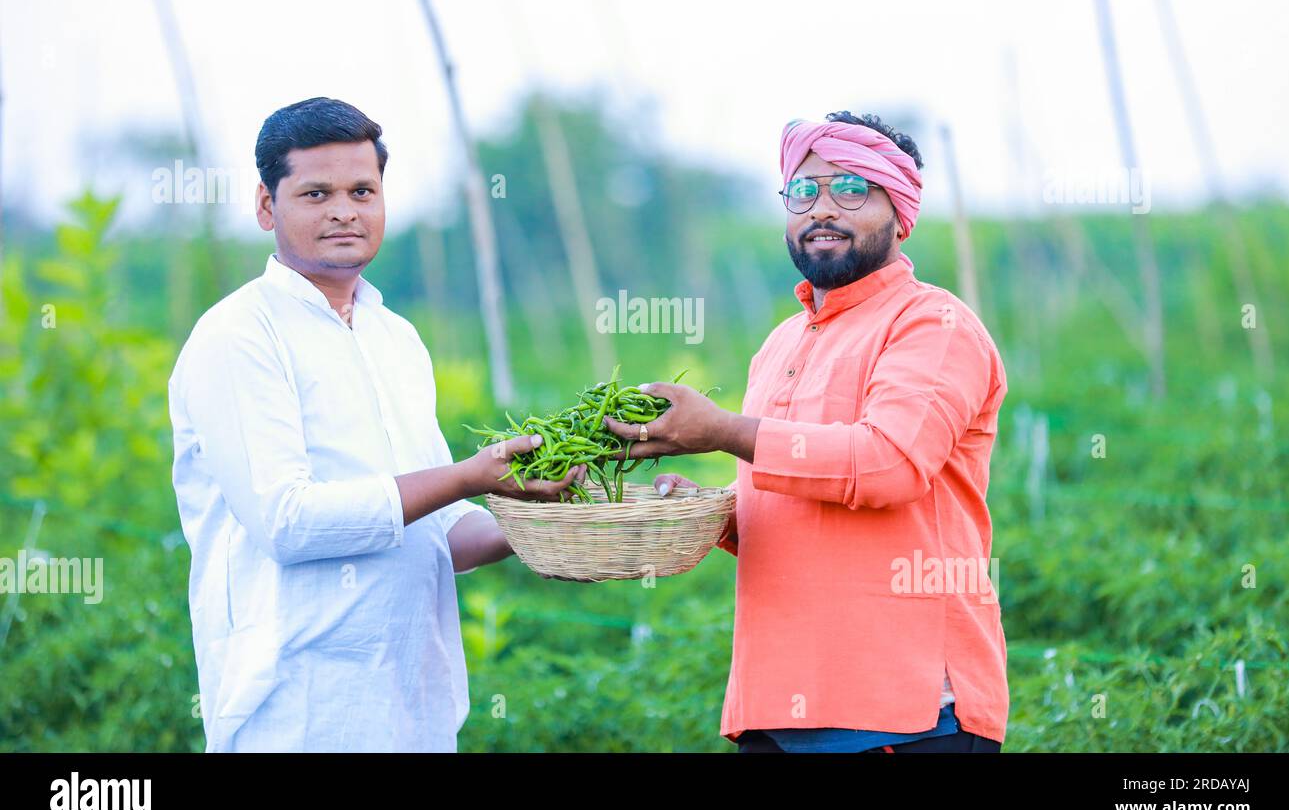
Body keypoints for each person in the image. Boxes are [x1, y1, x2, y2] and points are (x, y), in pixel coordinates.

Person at [168, 97, 583, 752]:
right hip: (298, 710)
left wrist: (535, 521)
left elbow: (440, 528)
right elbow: (287, 522)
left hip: (413, 705)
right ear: (265, 207)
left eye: (363, 190)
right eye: (316, 193)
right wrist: (468, 476)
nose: (344, 210)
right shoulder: (239, 336)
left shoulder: (397, 338)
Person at [604, 112, 1009, 753]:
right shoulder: (780, 342)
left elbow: (887, 465)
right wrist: (714, 515)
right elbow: (803, 495)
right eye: (804, 191)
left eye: (851, 188)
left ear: (899, 211)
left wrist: (724, 431)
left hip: (909, 714)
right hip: (774, 712)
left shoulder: (933, 325)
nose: (822, 208)